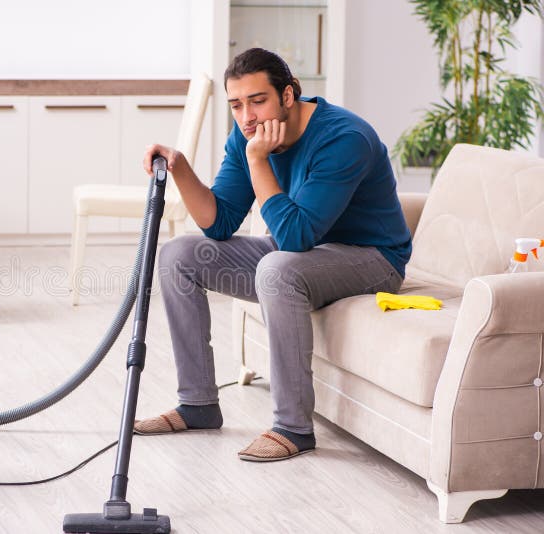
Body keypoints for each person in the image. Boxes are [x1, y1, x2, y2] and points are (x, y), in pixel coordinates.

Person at [134, 47, 412, 461]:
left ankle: (293, 427)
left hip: (371, 259)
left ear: (288, 95)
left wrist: (257, 159)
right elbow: (219, 222)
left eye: (258, 101)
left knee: (278, 269)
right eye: (236, 105)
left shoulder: (344, 139)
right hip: (301, 254)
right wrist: (181, 168)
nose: (247, 117)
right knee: (180, 254)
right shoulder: (246, 134)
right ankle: (197, 404)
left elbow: (296, 236)